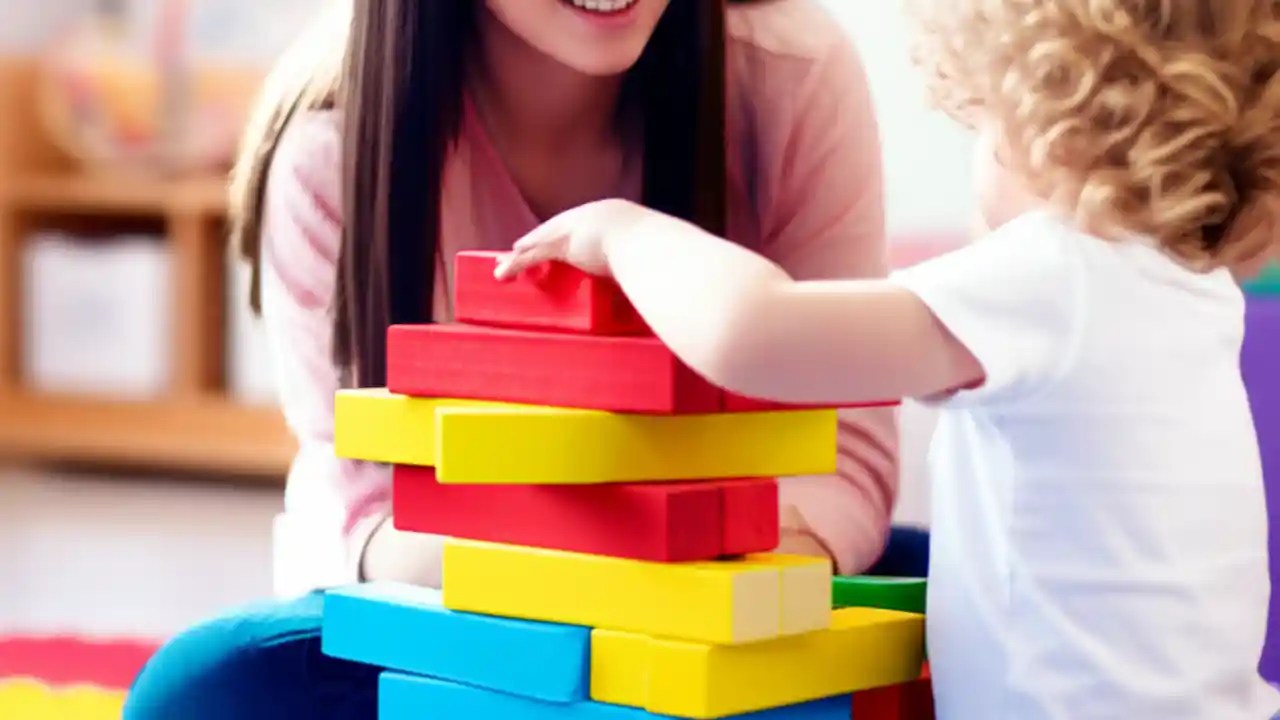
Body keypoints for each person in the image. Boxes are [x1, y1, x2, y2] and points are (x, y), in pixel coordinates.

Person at [493, 1, 1280, 718]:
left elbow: (755, 333)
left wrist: (629, 235)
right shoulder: (1194, 285)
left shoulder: (1051, 275)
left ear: (1050, 131)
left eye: (985, 129)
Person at [123, 0, 897, 717]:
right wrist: (628, 571)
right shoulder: (332, 149)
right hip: (466, 613)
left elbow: (847, 459)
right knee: (201, 689)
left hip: (738, 594)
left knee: (952, 600)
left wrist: (690, 601)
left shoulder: (790, 76)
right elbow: (369, 519)